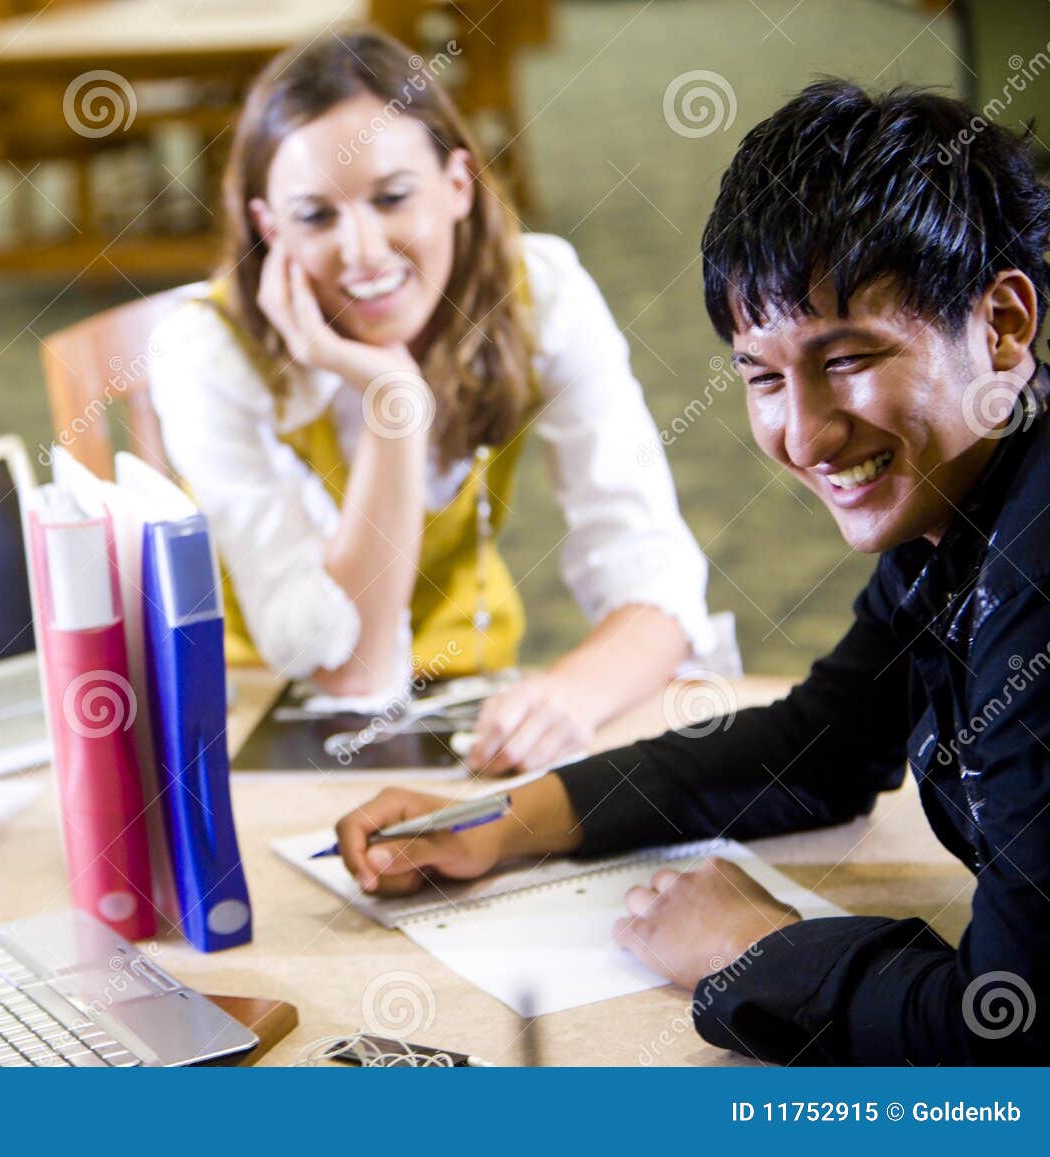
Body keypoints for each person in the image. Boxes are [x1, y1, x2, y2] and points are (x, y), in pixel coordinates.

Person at [335, 80, 1050, 1065]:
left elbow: (1011, 1031)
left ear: (1004, 324)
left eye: (846, 360)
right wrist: (502, 818)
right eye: (762, 375)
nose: (802, 434)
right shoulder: (966, 500)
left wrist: (752, 944)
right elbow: (822, 744)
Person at [149, 29, 735, 776]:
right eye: (315, 216)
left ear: (458, 184)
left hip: (466, 700)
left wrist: (573, 693)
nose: (361, 251)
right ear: (269, 228)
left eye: (392, 197)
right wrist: (393, 399)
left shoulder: (541, 294)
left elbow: (653, 572)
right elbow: (348, 672)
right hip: (262, 726)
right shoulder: (206, 355)